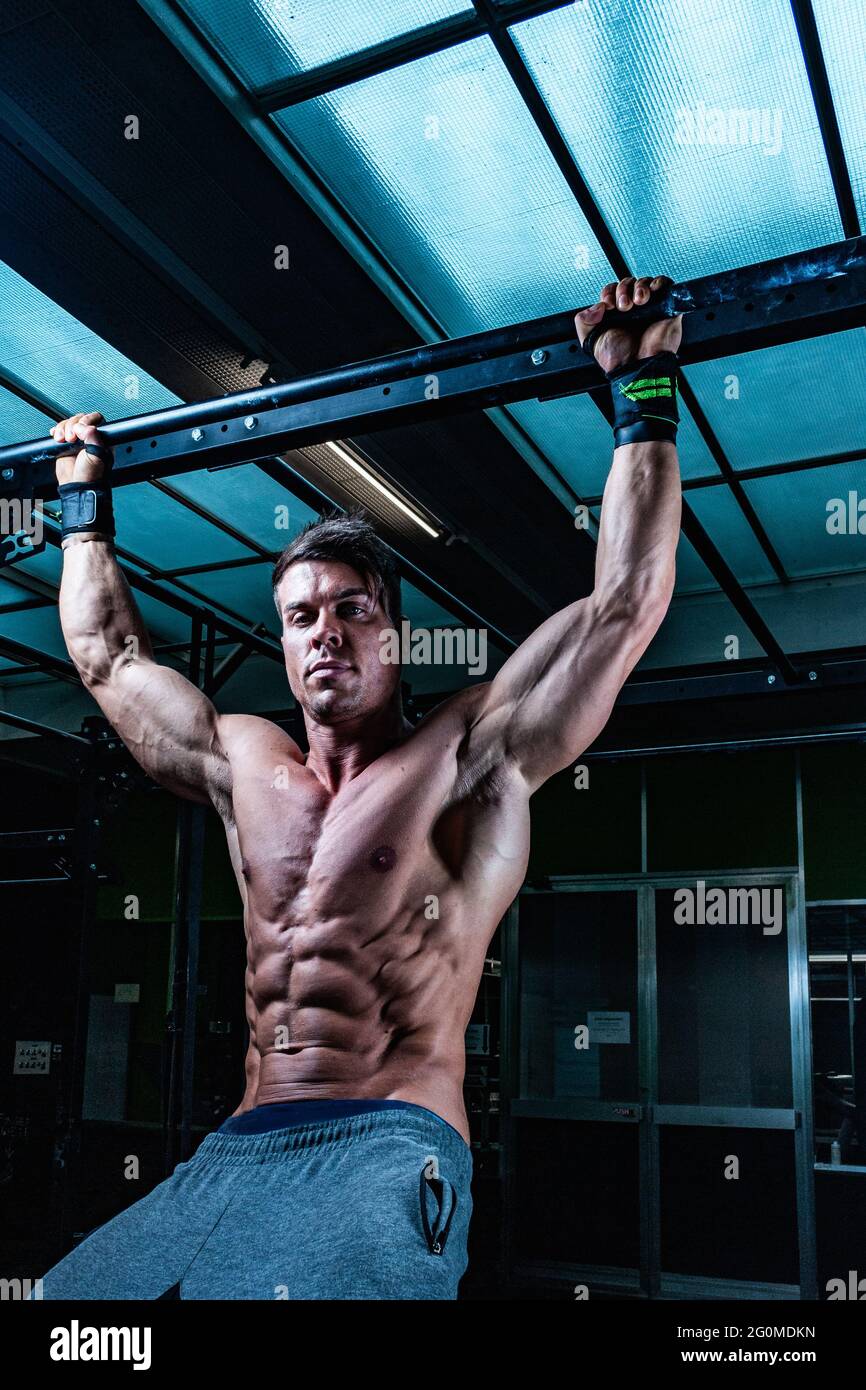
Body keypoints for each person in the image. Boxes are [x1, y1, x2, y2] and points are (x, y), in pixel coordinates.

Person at [37, 276, 682, 1299]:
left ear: (392, 632)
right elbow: (108, 660)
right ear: (286, 645)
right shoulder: (240, 759)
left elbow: (622, 607)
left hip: (386, 1141)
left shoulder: (469, 752)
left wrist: (639, 382)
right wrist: (81, 504)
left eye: (351, 608)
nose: (324, 630)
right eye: (300, 616)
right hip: (237, 1147)